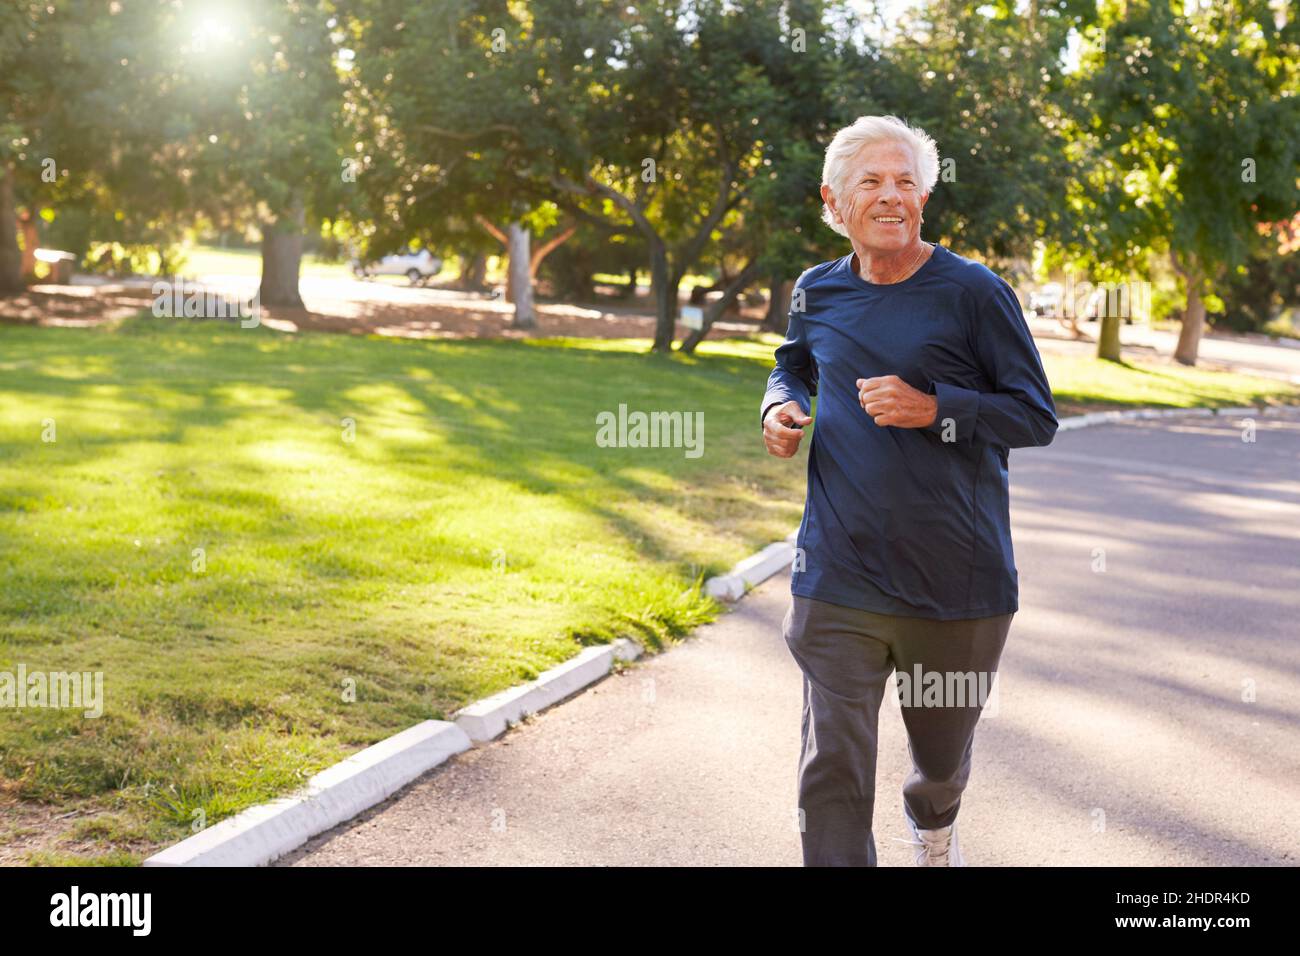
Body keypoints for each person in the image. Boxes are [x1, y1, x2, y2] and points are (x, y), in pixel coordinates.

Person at [761, 114, 1058, 866]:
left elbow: (1035, 416)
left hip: (955, 580)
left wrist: (935, 410)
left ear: (924, 200)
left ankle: (933, 824)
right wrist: (780, 403)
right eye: (873, 182)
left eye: (907, 183)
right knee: (833, 766)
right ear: (834, 202)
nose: (892, 197)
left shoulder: (974, 293)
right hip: (837, 571)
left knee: (938, 760)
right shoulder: (816, 289)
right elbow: (792, 361)